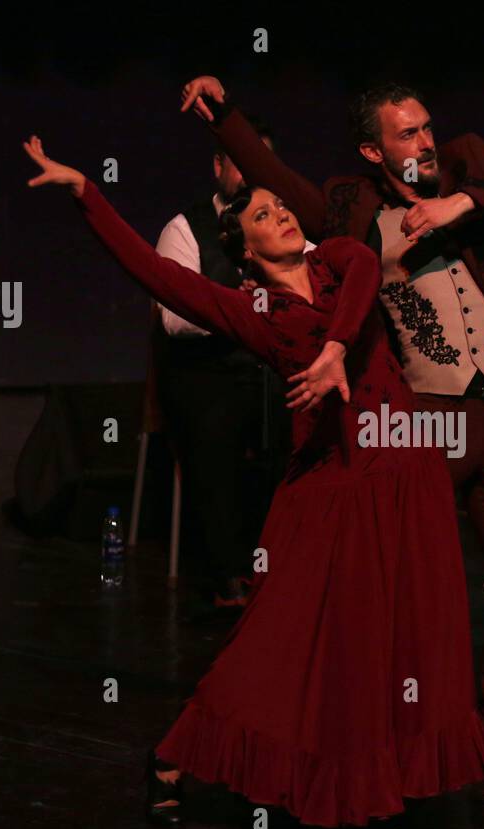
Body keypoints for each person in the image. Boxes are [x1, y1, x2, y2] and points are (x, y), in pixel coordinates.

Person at [23, 135, 484, 829]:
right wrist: (87, 197)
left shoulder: (337, 262)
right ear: (244, 251)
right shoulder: (253, 312)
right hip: (329, 486)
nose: (279, 214)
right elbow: (158, 276)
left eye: (280, 205)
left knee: (405, 633)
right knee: (285, 635)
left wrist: (336, 349)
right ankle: (177, 757)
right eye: (261, 216)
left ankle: (394, 777)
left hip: (404, 470)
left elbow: (368, 267)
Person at [180, 75, 484, 798]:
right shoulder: (349, 208)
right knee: (410, 598)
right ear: (371, 148)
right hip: (427, 423)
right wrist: (224, 118)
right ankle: (406, 748)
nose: (424, 141)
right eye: (406, 133)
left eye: (425, 127)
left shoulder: (466, 167)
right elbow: (273, 178)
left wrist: (461, 201)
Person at [151, 115, 294, 609]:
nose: (254, 174)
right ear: (217, 166)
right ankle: (227, 574)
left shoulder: (286, 225)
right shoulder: (185, 229)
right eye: (242, 162)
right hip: (208, 372)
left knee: (308, 422)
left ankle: (293, 564)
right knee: (217, 427)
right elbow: (175, 320)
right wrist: (238, 306)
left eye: (263, 163)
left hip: (272, 372)